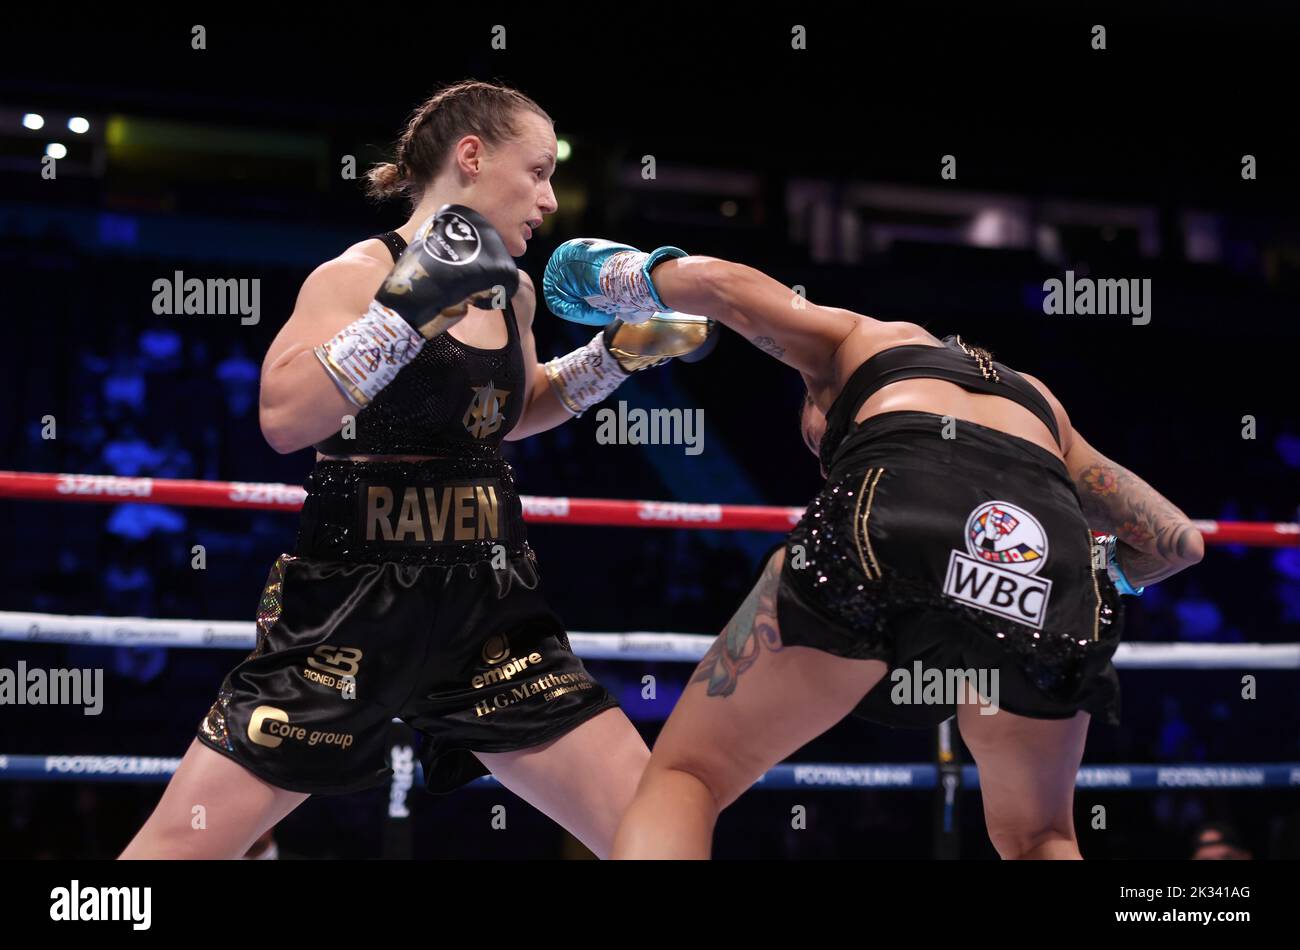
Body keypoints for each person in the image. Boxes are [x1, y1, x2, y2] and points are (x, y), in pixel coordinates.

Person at [119, 81, 712, 860]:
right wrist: (404, 313)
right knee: (172, 854)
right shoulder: (356, 273)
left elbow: (512, 410)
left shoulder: (517, 292)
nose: (547, 198)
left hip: (490, 607)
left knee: (657, 836)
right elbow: (284, 417)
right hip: (352, 610)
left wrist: (616, 355)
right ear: (472, 156)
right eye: (535, 171)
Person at [542, 238, 1205, 859]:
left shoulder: (865, 337)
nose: (811, 439)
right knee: (1040, 835)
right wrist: (1100, 571)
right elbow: (1178, 542)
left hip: (896, 505)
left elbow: (719, 284)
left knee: (689, 773)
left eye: (808, 421)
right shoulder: (1041, 406)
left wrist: (606, 275)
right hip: (1040, 555)